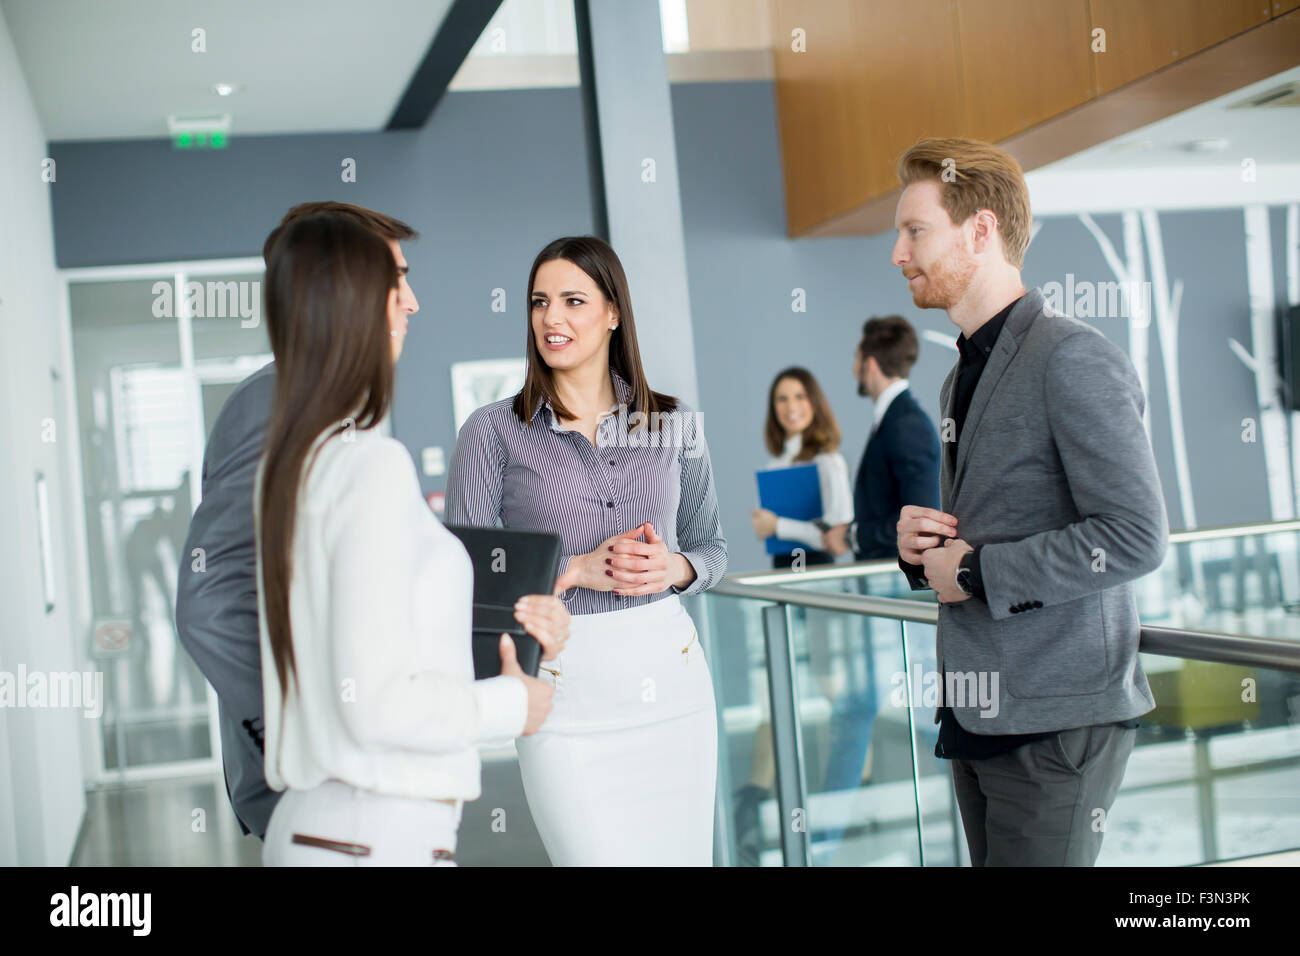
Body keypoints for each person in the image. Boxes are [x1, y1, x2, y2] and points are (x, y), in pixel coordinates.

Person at [176, 201, 567, 850]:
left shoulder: (342, 440)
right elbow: (212, 604)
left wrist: (514, 635)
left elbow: (369, 622)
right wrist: (300, 734)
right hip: (353, 812)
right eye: (397, 281)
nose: (412, 303)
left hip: (364, 812)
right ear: (351, 297)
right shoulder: (303, 429)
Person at [890, 137, 1168, 866]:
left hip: (1057, 722)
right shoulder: (960, 377)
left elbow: (1136, 536)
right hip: (980, 711)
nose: (898, 251)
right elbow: (982, 535)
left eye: (915, 230)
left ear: (980, 231)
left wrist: (979, 572)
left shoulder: (1072, 356)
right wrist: (922, 551)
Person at [446, 235, 727, 866]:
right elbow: (466, 585)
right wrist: (574, 569)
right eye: (540, 302)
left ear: (612, 312)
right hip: (563, 695)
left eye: (573, 300)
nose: (552, 318)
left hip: (673, 686)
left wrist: (675, 567)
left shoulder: (673, 424)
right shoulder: (491, 433)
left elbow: (712, 548)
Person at [821, 316, 940, 564]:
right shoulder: (893, 418)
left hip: (897, 581)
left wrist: (853, 537)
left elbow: (922, 517)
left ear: (870, 365)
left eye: (856, 359)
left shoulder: (906, 423)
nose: (854, 369)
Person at [750, 367, 853, 569]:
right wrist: (762, 525)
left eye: (800, 396)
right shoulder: (775, 464)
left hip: (816, 569)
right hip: (783, 565)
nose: (791, 407)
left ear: (815, 402)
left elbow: (836, 536)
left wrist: (778, 526)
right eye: (782, 399)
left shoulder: (828, 460)